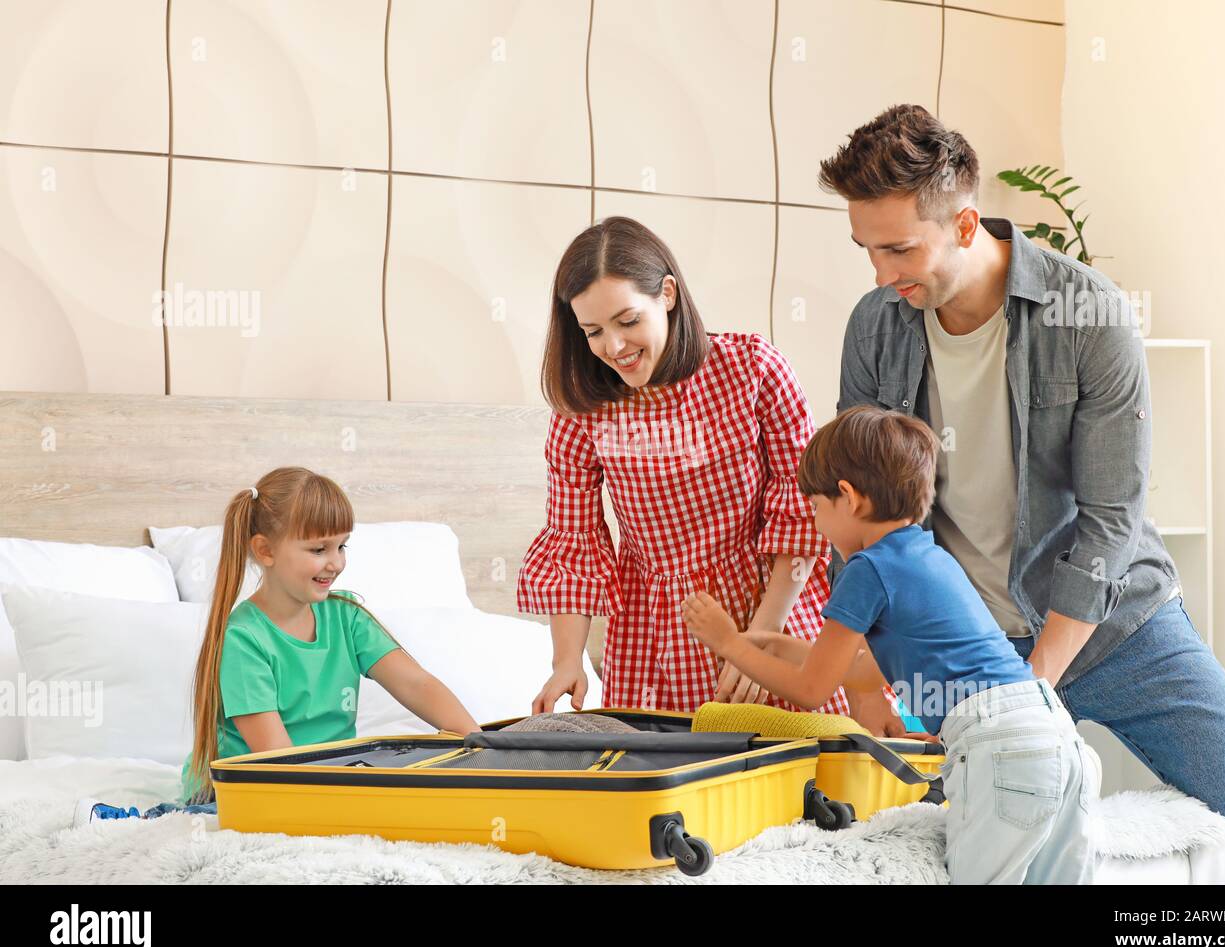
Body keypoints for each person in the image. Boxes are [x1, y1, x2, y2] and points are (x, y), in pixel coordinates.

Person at [819, 103, 1225, 875]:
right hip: (965, 643)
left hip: (1116, 624)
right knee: (946, 857)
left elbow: (1111, 521)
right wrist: (869, 681)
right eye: (867, 250)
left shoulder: (1090, 314)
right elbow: (861, 518)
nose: (881, 276)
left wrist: (1029, 692)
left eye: (900, 249)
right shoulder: (876, 326)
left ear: (966, 224)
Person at [683, 405, 1101, 884]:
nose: (817, 525)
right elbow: (861, 671)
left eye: (816, 509)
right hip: (1052, 732)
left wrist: (729, 643)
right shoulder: (928, 556)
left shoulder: (866, 569)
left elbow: (812, 690)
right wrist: (775, 646)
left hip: (1002, 746)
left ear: (847, 498)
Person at [519, 216, 850, 716]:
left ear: (668, 294)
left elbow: (802, 515)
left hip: (770, 607)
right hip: (652, 634)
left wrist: (758, 639)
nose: (613, 347)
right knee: (669, 783)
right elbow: (575, 541)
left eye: (628, 321)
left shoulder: (753, 369)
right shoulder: (582, 410)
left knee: (805, 776)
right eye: (592, 331)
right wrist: (569, 661)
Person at [75, 466, 479, 823]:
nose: (335, 562)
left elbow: (415, 684)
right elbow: (275, 757)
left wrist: (475, 742)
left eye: (341, 546)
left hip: (320, 775)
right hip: (249, 780)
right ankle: (126, 822)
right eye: (318, 549)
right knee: (213, 819)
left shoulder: (348, 616)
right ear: (265, 550)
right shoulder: (245, 639)